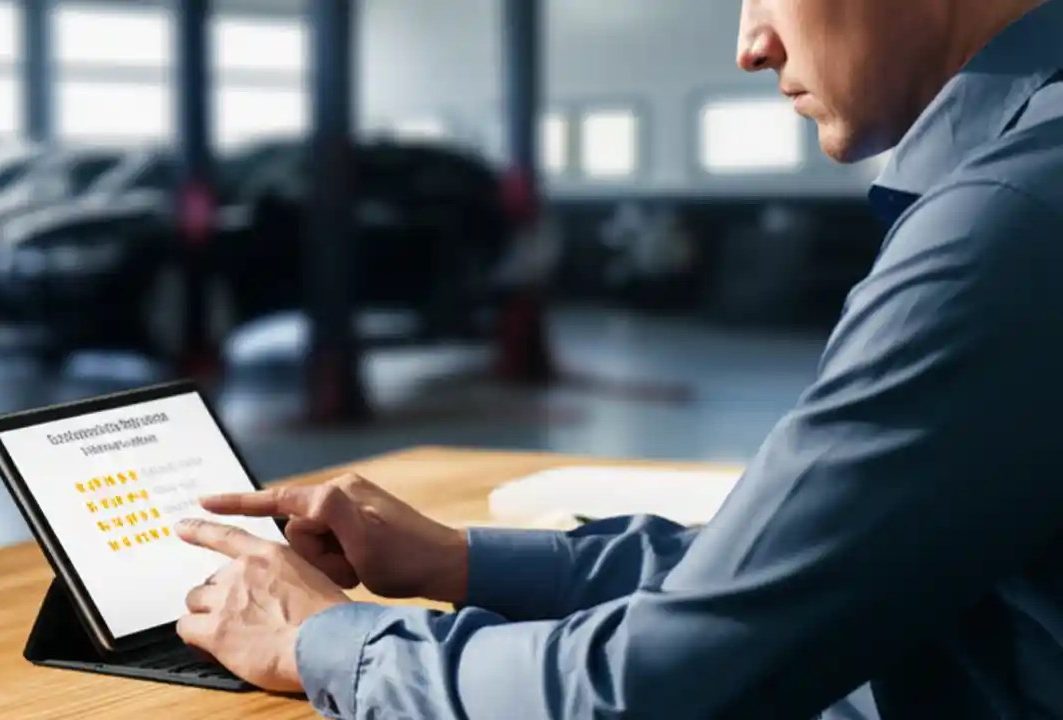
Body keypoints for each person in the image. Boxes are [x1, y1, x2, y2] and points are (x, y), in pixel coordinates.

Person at [173, 0, 1063, 716]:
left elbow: (665, 684)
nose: (751, 42)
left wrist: (322, 640)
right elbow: (801, 567)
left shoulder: (1011, 216)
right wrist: (459, 558)